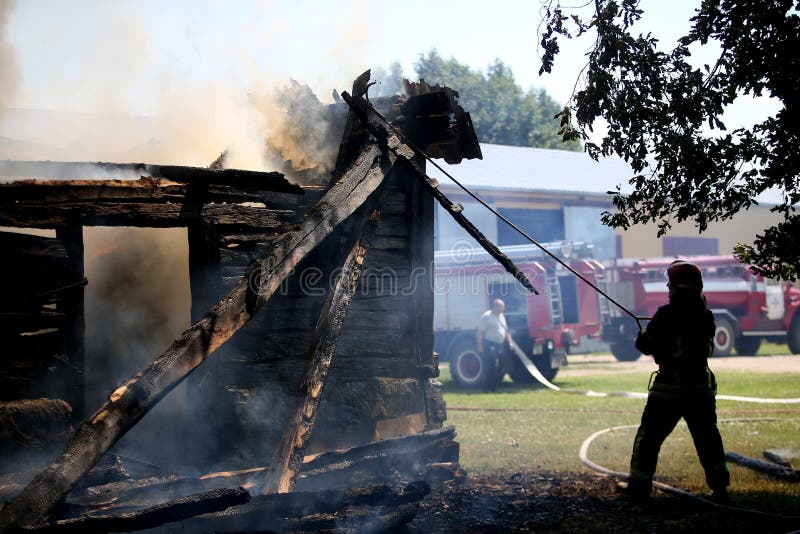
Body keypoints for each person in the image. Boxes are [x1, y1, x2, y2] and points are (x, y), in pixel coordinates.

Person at [624, 260, 730, 503]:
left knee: (648, 438)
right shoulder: (705, 316)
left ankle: (638, 490)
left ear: (677, 287)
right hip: (700, 389)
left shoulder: (665, 314)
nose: (667, 286)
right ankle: (720, 488)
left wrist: (643, 333)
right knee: (708, 439)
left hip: (669, 389)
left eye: (670, 283)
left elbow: (644, 346)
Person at [476, 299, 512, 391]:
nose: (503, 308)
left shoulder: (501, 316)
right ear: (496, 307)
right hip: (489, 343)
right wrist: (480, 345)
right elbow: (480, 331)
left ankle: (493, 387)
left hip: (499, 344)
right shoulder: (487, 316)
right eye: (502, 306)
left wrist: (510, 342)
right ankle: (485, 387)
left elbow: (506, 330)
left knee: (499, 366)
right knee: (491, 364)